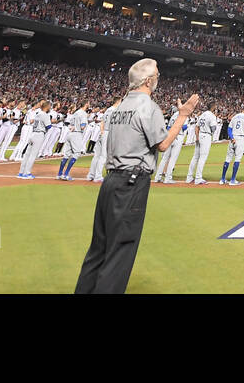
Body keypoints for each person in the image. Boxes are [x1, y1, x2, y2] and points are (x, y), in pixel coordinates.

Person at [75, 58, 198, 294]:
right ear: (149, 80)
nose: (158, 80)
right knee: (120, 251)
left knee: (99, 248)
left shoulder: (120, 106)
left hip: (111, 179)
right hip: (131, 182)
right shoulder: (148, 106)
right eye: (157, 76)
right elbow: (162, 144)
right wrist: (183, 116)